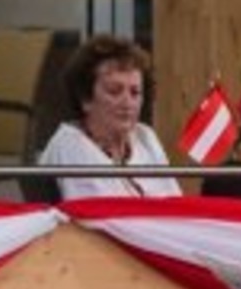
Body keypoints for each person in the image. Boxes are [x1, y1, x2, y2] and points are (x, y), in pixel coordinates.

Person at [37, 34, 181, 200]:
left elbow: (176, 204)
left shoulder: (145, 137)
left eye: (135, 93)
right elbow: (93, 216)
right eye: (114, 91)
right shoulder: (69, 143)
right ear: (86, 98)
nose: (127, 103)